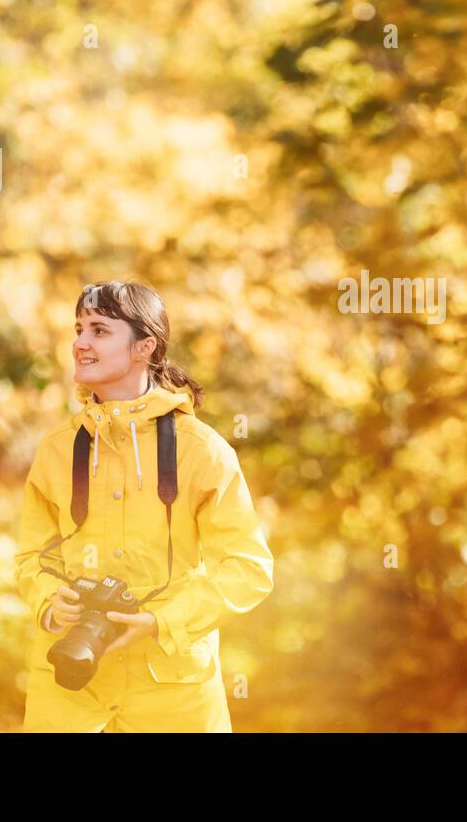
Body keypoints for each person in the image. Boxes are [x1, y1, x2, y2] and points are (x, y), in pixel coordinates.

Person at [14, 280, 274, 731]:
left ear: (144, 347)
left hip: (174, 692)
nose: (80, 343)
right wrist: (50, 602)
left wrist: (161, 620)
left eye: (98, 330)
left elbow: (248, 568)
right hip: (69, 682)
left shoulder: (203, 451)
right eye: (78, 330)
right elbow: (30, 558)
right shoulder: (56, 450)